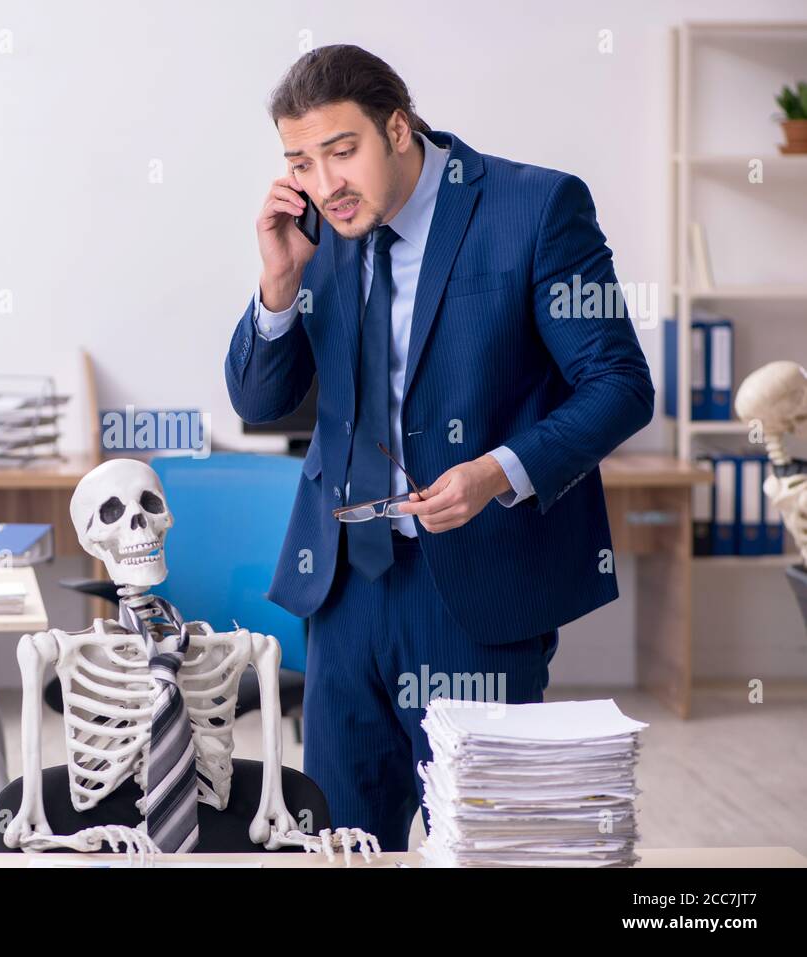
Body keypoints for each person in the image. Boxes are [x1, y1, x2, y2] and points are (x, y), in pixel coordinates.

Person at [223, 44, 654, 850]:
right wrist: (277, 284)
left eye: (342, 151)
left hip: (478, 590)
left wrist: (499, 472)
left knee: (489, 845)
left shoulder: (535, 208)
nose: (325, 183)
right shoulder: (316, 232)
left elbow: (621, 384)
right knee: (344, 845)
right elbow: (258, 398)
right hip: (345, 592)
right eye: (301, 161)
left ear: (398, 127)